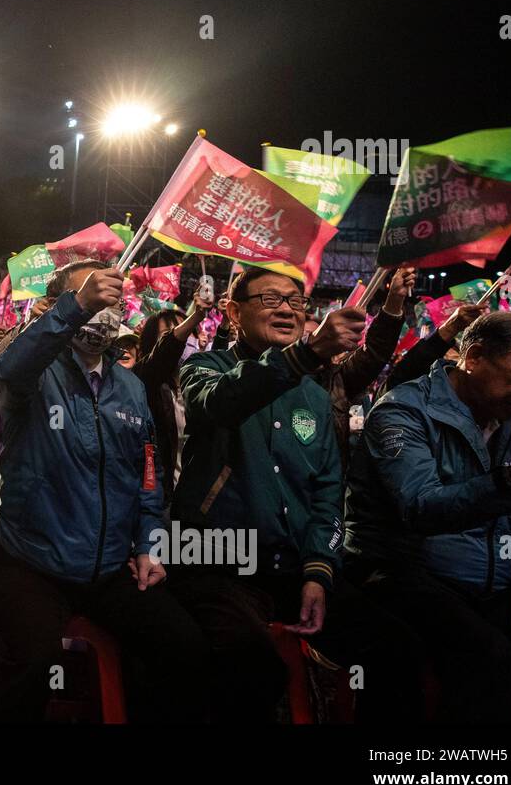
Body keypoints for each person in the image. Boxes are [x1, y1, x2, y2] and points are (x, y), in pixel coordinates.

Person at [169, 267, 424, 722]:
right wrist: (302, 355)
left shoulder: (314, 394)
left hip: (290, 564)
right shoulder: (203, 368)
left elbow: (327, 491)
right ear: (233, 313)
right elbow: (219, 402)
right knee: (252, 665)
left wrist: (318, 572)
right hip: (214, 560)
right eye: (269, 299)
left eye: (296, 301)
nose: (286, 308)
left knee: (395, 647)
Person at [0, 259, 209, 722]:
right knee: (34, 667)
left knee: (185, 648)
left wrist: (149, 543)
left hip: (109, 566)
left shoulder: (130, 386)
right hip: (29, 561)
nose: (103, 307)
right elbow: (6, 368)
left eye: (109, 296)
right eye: (90, 293)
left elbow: (148, 474)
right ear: (59, 304)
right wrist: (73, 308)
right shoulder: (34, 371)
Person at [346, 312, 511, 721]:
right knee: (489, 656)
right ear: (474, 356)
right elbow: (421, 506)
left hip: (490, 581)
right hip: (403, 572)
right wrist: (510, 483)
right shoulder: (403, 413)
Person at [310, 266, 416, 467]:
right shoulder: (264, 378)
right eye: (305, 338)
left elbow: (375, 351)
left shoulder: (337, 380)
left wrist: (394, 300)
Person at [134, 296, 215, 495]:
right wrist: (195, 316)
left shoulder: (202, 384)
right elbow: (162, 358)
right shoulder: (145, 382)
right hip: (164, 497)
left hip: (201, 498)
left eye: (190, 332)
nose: (185, 339)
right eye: (170, 334)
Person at [385, 299, 489, 391]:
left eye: (455, 359)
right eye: (447, 359)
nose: (452, 361)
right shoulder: (418, 396)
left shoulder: (482, 401)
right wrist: (450, 328)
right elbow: (398, 384)